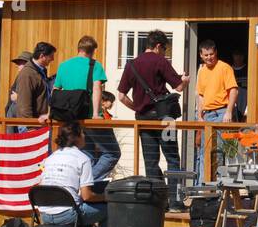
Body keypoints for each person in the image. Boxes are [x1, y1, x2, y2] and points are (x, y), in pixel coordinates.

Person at [117, 30, 188, 207]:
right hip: (165, 120)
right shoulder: (160, 61)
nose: (165, 52)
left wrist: (138, 108)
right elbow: (178, 87)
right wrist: (185, 80)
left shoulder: (131, 64)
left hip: (143, 120)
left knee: (150, 161)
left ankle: (158, 201)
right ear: (158, 46)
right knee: (172, 158)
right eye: (164, 48)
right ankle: (176, 202)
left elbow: (120, 96)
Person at [38, 121, 109, 227]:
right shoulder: (83, 159)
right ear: (76, 137)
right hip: (68, 215)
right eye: (82, 133)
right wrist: (106, 197)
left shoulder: (50, 159)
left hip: (44, 216)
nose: (84, 136)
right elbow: (87, 196)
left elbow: (42, 186)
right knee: (108, 210)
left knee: (82, 212)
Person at [53, 36, 117, 182]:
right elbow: (96, 88)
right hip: (89, 117)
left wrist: (51, 113)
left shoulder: (64, 65)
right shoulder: (95, 65)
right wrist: (95, 113)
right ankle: (86, 183)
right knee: (112, 153)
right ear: (93, 51)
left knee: (87, 155)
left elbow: (56, 90)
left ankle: (85, 191)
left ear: (78, 48)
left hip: (71, 119)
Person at [193, 40, 239, 182]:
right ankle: (203, 187)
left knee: (217, 151)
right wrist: (199, 113)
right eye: (206, 55)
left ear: (216, 52)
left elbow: (233, 90)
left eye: (211, 54)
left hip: (221, 112)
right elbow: (200, 94)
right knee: (203, 151)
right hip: (207, 114)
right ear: (201, 55)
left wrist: (228, 112)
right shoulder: (202, 71)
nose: (209, 57)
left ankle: (215, 189)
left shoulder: (224, 68)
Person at [13, 42, 56, 125]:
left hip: (39, 123)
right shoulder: (28, 74)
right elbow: (24, 104)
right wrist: (30, 126)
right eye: (51, 56)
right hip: (31, 126)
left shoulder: (39, 71)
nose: (53, 59)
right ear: (42, 56)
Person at [6, 50, 33, 117]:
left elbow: (36, 98)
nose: (18, 65)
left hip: (24, 116)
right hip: (14, 114)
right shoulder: (20, 76)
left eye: (20, 63)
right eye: (18, 63)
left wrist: (18, 98)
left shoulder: (32, 77)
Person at [230, 49, 249, 122]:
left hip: (246, 102)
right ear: (233, 56)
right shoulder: (228, 69)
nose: (238, 57)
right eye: (236, 55)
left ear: (244, 56)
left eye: (240, 55)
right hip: (232, 103)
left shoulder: (249, 69)